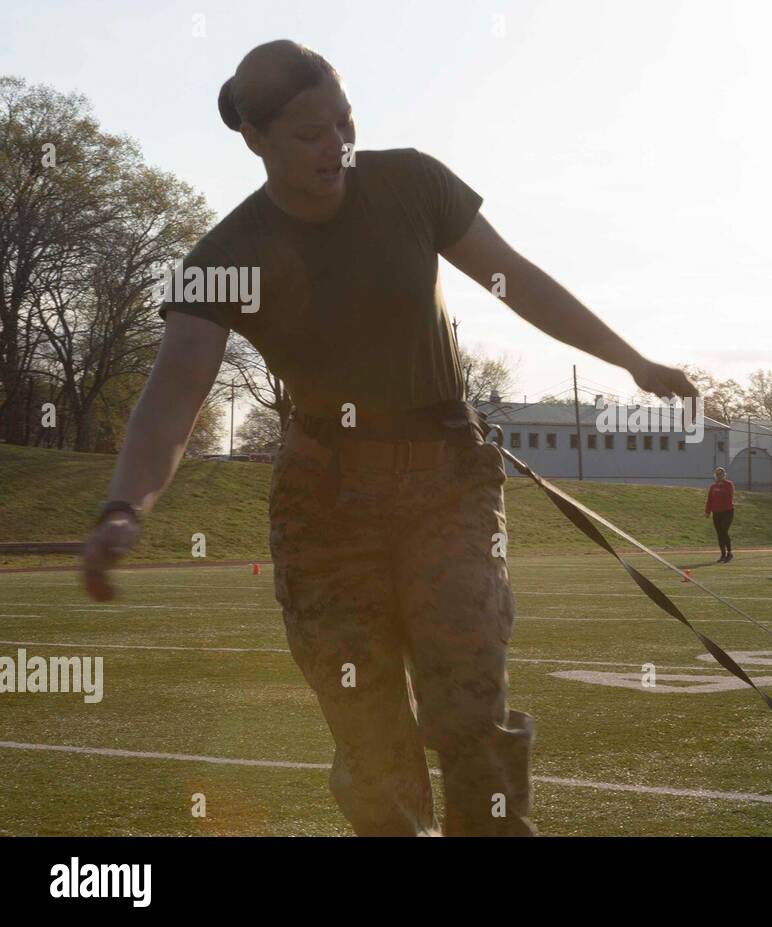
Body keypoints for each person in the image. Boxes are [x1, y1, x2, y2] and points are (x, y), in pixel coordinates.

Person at [78, 40, 696, 837]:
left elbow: (518, 280)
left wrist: (632, 360)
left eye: (345, 121)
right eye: (309, 134)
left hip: (448, 479)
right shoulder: (226, 256)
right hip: (324, 501)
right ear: (254, 139)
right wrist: (123, 508)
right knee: (368, 735)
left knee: (469, 708)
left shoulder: (411, 184)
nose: (337, 146)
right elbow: (172, 398)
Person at [705, 467, 735, 563]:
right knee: (719, 533)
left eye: (721, 474)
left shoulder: (728, 484)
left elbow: (729, 496)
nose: (719, 476)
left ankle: (729, 553)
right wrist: (707, 511)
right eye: (717, 474)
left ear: (724, 475)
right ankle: (723, 554)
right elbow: (710, 500)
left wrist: (721, 487)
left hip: (727, 511)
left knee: (724, 531)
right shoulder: (713, 487)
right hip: (716, 512)